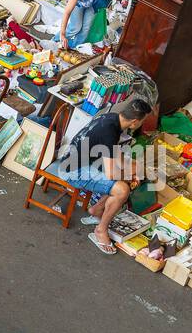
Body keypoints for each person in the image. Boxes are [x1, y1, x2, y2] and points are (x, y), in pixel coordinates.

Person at [48, 97, 152, 255]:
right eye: (142, 121)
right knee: (122, 190)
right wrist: (132, 174)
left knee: (125, 177)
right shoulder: (109, 131)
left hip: (83, 162)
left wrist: (136, 167)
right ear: (135, 122)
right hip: (72, 171)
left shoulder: (112, 118)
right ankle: (100, 230)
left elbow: (115, 155)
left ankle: (96, 210)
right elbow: (112, 173)